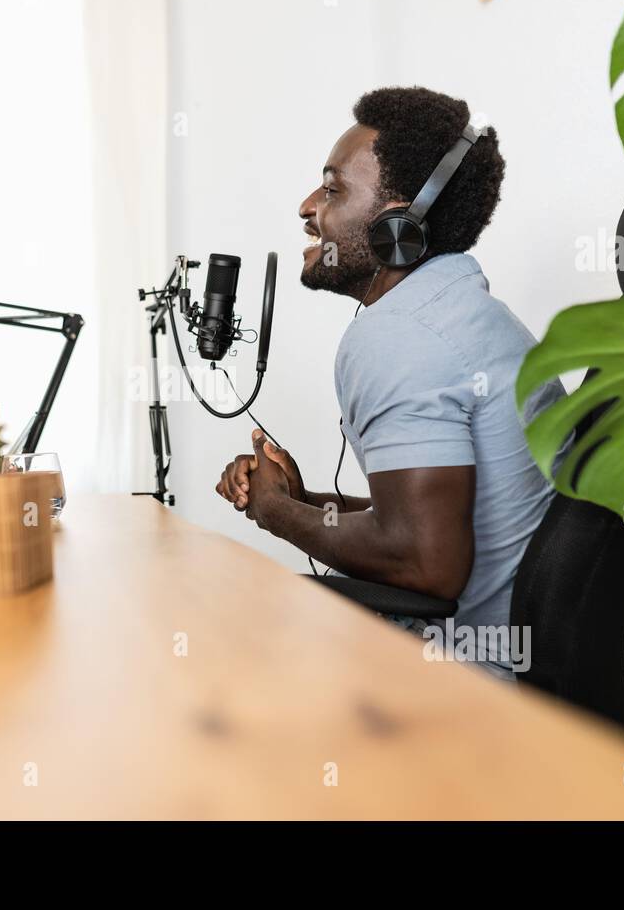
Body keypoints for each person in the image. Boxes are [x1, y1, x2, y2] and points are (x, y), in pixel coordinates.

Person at [214, 87, 566, 679]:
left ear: (397, 224)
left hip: (467, 691)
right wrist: (308, 504)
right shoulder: (465, 315)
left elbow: (425, 563)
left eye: (332, 189)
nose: (307, 207)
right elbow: (436, 519)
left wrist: (273, 511)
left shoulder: (397, 335)